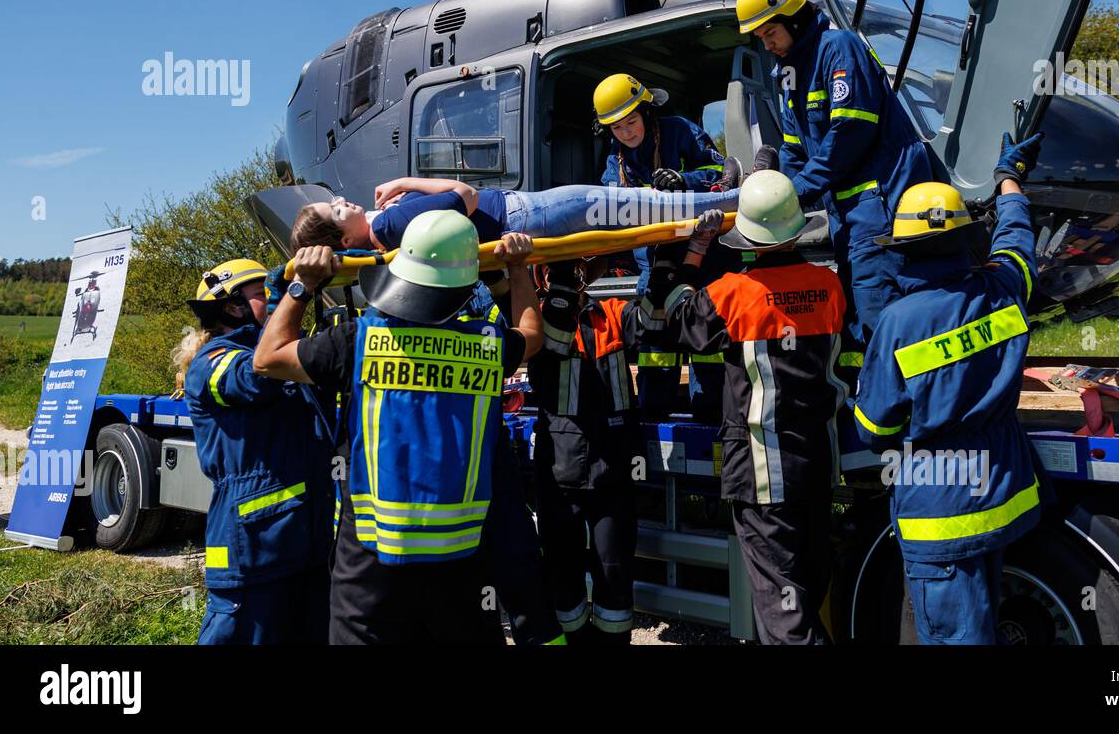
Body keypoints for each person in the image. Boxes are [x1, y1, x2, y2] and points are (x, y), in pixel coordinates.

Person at [253, 210, 543, 644]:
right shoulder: (488, 344)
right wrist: (517, 270)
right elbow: (532, 336)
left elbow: (267, 358)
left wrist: (302, 286)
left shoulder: (359, 340)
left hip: (369, 563)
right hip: (459, 562)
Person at [634, 168, 847, 643]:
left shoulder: (735, 292)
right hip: (816, 466)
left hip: (763, 474)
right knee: (806, 590)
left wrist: (691, 251)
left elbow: (677, 315)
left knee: (782, 609)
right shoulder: (829, 286)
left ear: (746, 235)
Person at [852, 133, 1046, 645]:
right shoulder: (1004, 288)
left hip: (940, 517)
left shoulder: (897, 323)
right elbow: (1017, 241)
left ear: (903, 252)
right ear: (966, 240)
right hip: (1002, 498)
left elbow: (874, 427)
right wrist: (1009, 180)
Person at [736, 0, 935, 383]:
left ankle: (907, 412)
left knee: (881, 310)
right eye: (759, 37)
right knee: (861, 316)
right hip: (851, 215)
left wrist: (800, 193)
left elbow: (852, 131)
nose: (766, 44)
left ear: (793, 19)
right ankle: (882, 402)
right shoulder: (790, 73)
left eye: (770, 32)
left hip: (881, 207)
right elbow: (793, 148)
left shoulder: (838, 48)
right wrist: (778, 194)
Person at [176, 258, 335, 645]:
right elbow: (258, 375)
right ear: (232, 307)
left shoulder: (275, 351)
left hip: (305, 543)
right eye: (263, 294)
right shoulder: (213, 361)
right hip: (251, 550)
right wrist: (297, 292)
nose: (272, 299)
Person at [595, 71, 740, 422]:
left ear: (647, 113)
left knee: (705, 343)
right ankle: (653, 417)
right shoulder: (614, 162)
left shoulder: (679, 131)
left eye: (631, 122)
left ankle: (710, 414)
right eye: (617, 128)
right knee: (655, 349)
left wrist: (683, 180)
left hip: (702, 262)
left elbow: (721, 172)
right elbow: (607, 201)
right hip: (654, 271)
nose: (627, 133)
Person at [529, 257, 641, 644]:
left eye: (577, 268)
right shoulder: (534, 323)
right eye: (560, 269)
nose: (571, 275)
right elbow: (549, 350)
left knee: (614, 570)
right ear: (542, 277)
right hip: (560, 471)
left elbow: (653, 321)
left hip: (613, 470)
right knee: (562, 573)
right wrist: (559, 287)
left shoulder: (612, 312)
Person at [288, 172, 740, 253]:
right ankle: (737, 198)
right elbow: (463, 195)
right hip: (525, 213)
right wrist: (407, 182)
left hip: (525, 217)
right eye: (336, 210)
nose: (342, 202)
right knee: (646, 205)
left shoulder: (382, 232)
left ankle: (727, 194)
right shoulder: (386, 224)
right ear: (344, 238)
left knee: (640, 206)